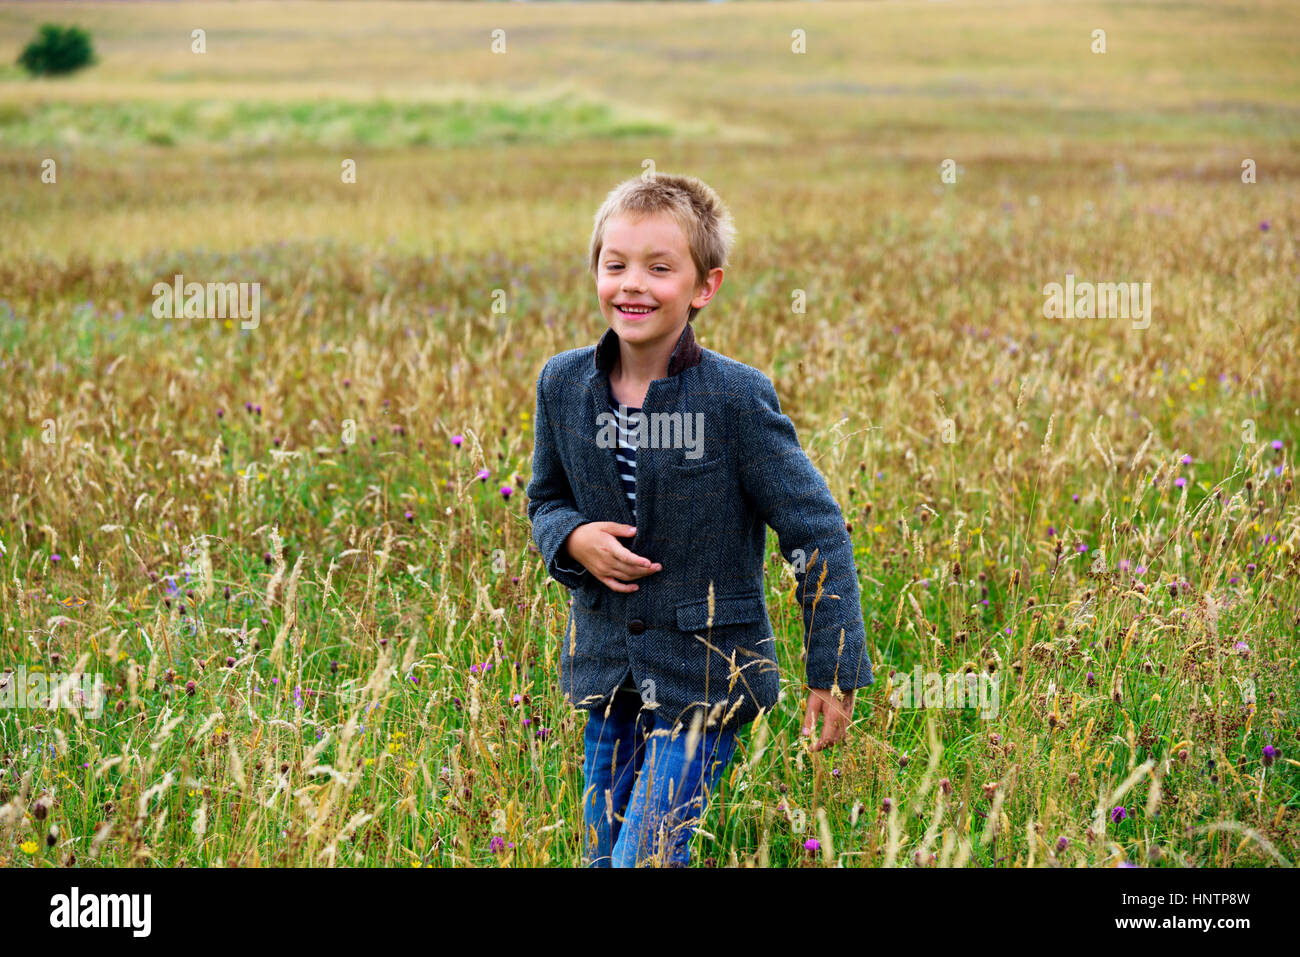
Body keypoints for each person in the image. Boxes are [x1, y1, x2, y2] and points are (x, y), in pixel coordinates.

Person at [526, 172, 873, 867]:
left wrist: (830, 670)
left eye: (659, 268)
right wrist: (572, 537)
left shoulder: (735, 398)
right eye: (614, 263)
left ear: (704, 286)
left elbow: (816, 530)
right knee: (603, 858)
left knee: (642, 860)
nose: (632, 284)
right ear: (594, 270)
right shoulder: (563, 384)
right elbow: (545, 498)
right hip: (608, 672)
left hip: (708, 677)